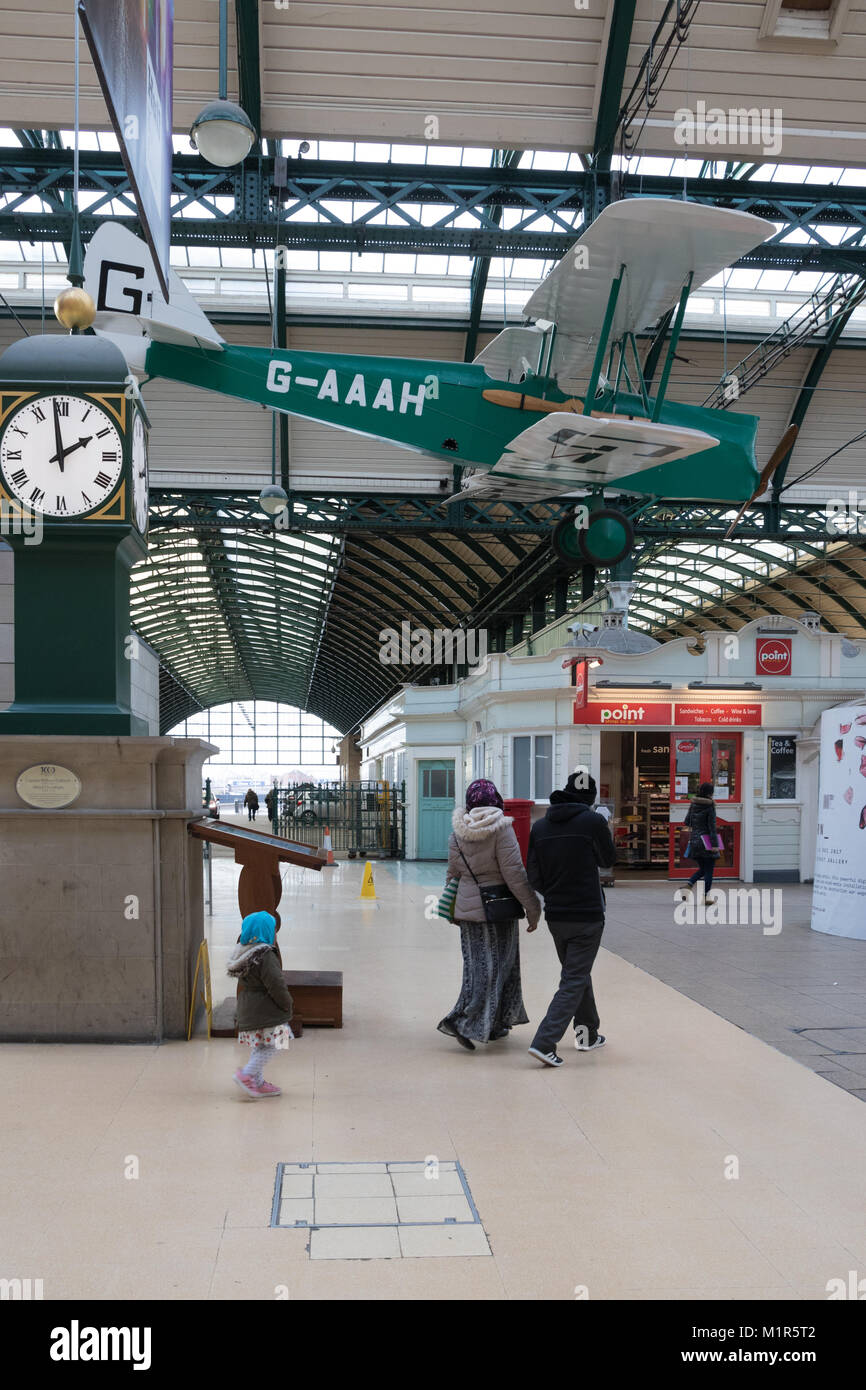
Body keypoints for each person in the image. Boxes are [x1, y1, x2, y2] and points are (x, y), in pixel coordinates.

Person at [438, 778, 541, 1050]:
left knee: (477, 967)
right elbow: (515, 876)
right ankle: (464, 1021)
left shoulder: (457, 833)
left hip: (469, 912)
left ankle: (495, 1023)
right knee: (501, 966)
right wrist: (533, 909)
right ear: (495, 800)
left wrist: (452, 909)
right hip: (500, 909)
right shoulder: (501, 830)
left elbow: (452, 875)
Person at [525, 769, 616, 1068]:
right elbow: (608, 861)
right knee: (575, 977)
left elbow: (534, 875)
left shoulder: (539, 827)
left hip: (557, 916)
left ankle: (587, 1034)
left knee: (578, 974)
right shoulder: (593, 821)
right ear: (589, 799)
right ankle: (544, 1041)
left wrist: (555, 892)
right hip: (587, 914)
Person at [227, 910, 294, 1099]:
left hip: (250, 1008)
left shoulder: (244, 953)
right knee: (278, 1043)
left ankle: (257, 1082)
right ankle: (246, 1075)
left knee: (262, 1046)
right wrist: (287, 1003)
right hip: (266, 1009)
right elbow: (276, 984)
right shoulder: (265, 955)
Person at [683, 782, 719, 901]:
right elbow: (712, 827)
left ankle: (688, 885)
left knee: (703, 869)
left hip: (695, 840)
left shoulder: (693, 804)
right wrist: (714, 845)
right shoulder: (710, 806)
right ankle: (706, 897)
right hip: (707, 841)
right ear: (710, 793)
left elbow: (687, 822)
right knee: (709, 870)